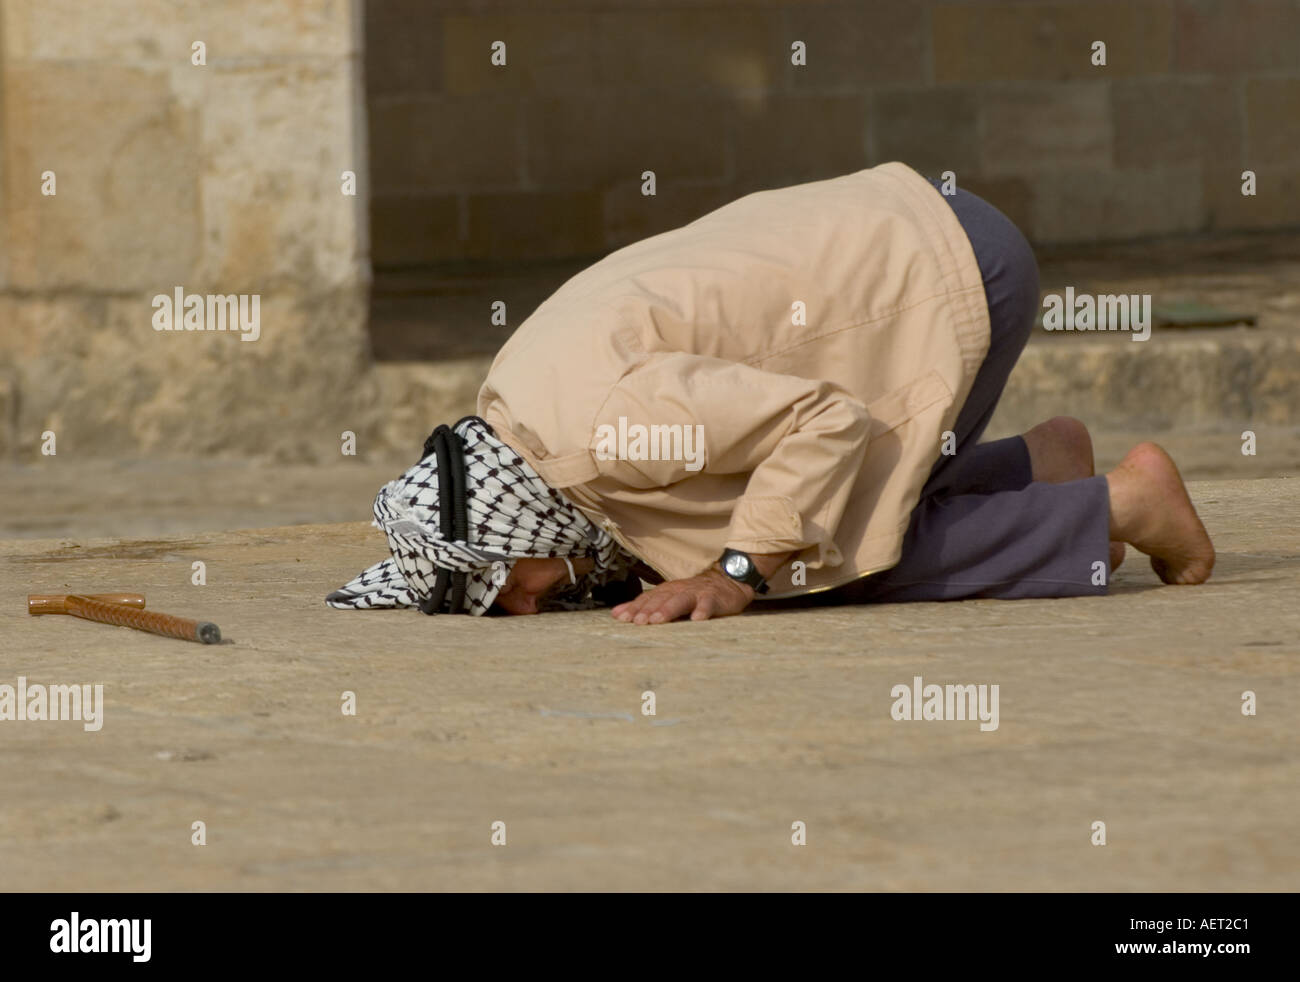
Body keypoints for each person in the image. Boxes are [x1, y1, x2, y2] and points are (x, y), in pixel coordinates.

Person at [327, 162, 1213, 623]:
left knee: (830, 567)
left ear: (508, 528)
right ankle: (1041, 466)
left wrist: (738, 574)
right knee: (784, 516)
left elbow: (821, 423)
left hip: (950, 269)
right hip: (929, 232)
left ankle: (1122, 507)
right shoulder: (523, 411)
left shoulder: (606, 433)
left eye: (500, 588)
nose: (522, 604)